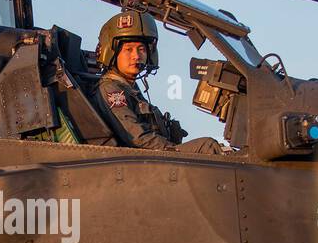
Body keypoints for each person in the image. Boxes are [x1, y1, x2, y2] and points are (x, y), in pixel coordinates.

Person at [92, 11, 222, 155]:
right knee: (207, 146)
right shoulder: (111, 89)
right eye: (128, 50)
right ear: (113, 53)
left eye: (141, 49)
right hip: (140, 163)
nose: (136, 56)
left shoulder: (130, 87)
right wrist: (172, 149)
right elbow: (137, 137)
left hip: (149, 157)